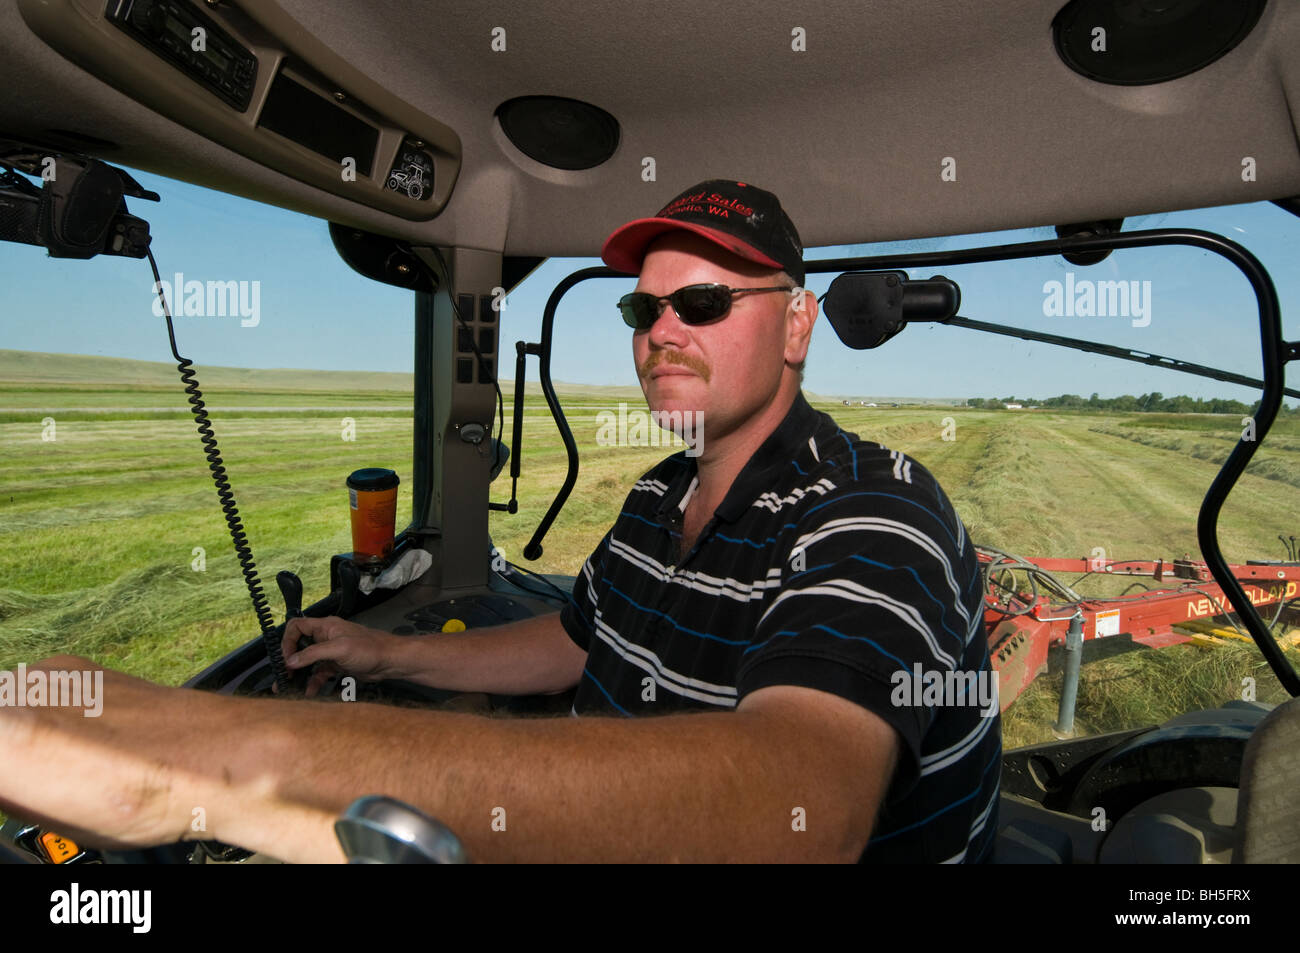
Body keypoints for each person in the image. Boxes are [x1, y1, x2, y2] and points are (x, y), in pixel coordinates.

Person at [0, 179, 998, 863]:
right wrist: (381, 656)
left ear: (795, 324)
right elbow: (573, 640)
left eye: (700, 301)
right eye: (639, 312)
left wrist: (206, 765)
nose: (661, 333)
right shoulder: (659, 495)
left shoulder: (875, 509)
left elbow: (801, 814)